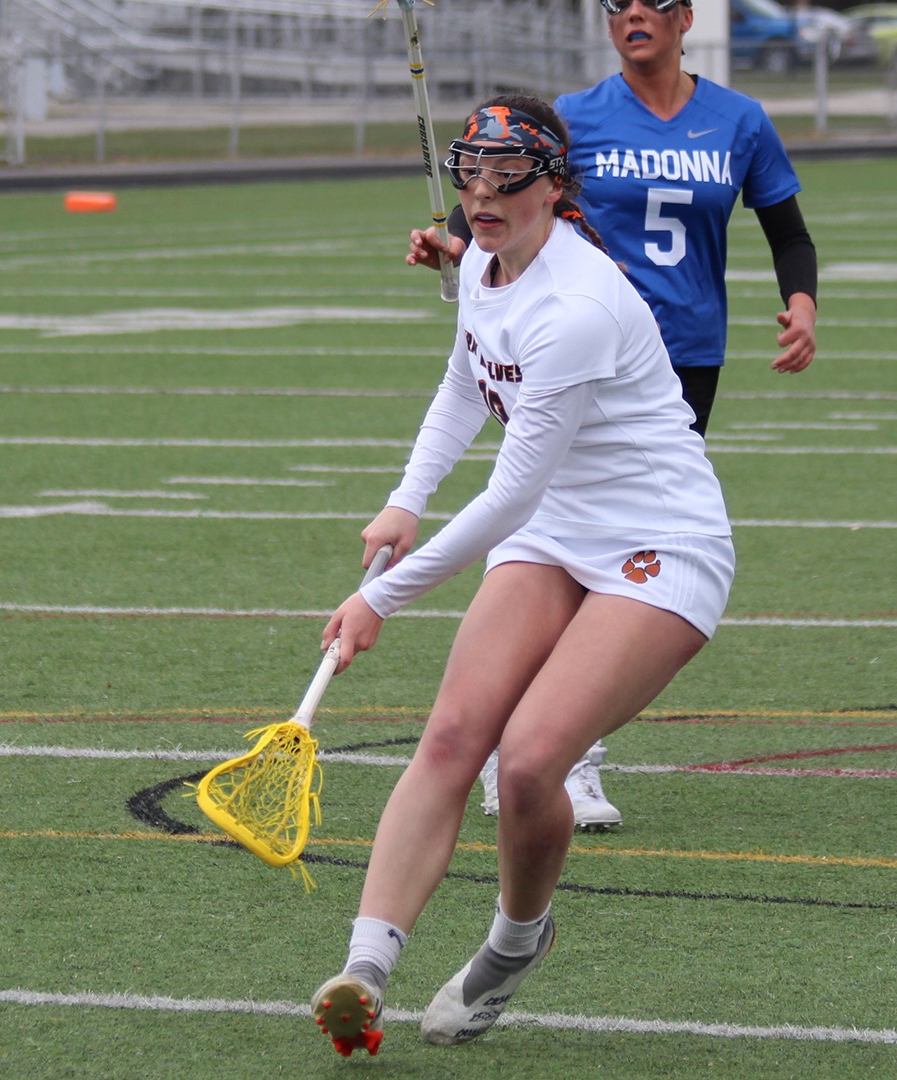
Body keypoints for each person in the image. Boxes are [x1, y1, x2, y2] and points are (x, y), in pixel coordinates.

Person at [310, 95, 733, 1057]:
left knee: (534, 757)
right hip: (557, 530)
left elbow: (507, 495)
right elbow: (464, 380)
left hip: (661, 541)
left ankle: (514, 942)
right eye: (470, 172)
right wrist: (405, 500)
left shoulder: (576, 306)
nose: (482, 193)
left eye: (508, 175)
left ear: (554, 185)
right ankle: (365, 970)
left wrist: (382, 596)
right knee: (457, 731)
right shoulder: (485, 266)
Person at [408, 0, 817, 831]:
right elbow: (501, 186)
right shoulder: (581, 116)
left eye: (653, 3)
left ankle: (553, 746)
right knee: (546, 530)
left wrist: (801, 303)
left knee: (624, 539)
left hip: (674, 357)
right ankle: (552, 760)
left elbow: (786, 227)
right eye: (618, 4)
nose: (635, 14)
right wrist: (453, 239)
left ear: (686, 17)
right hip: (565, 348)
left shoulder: (739, 119)